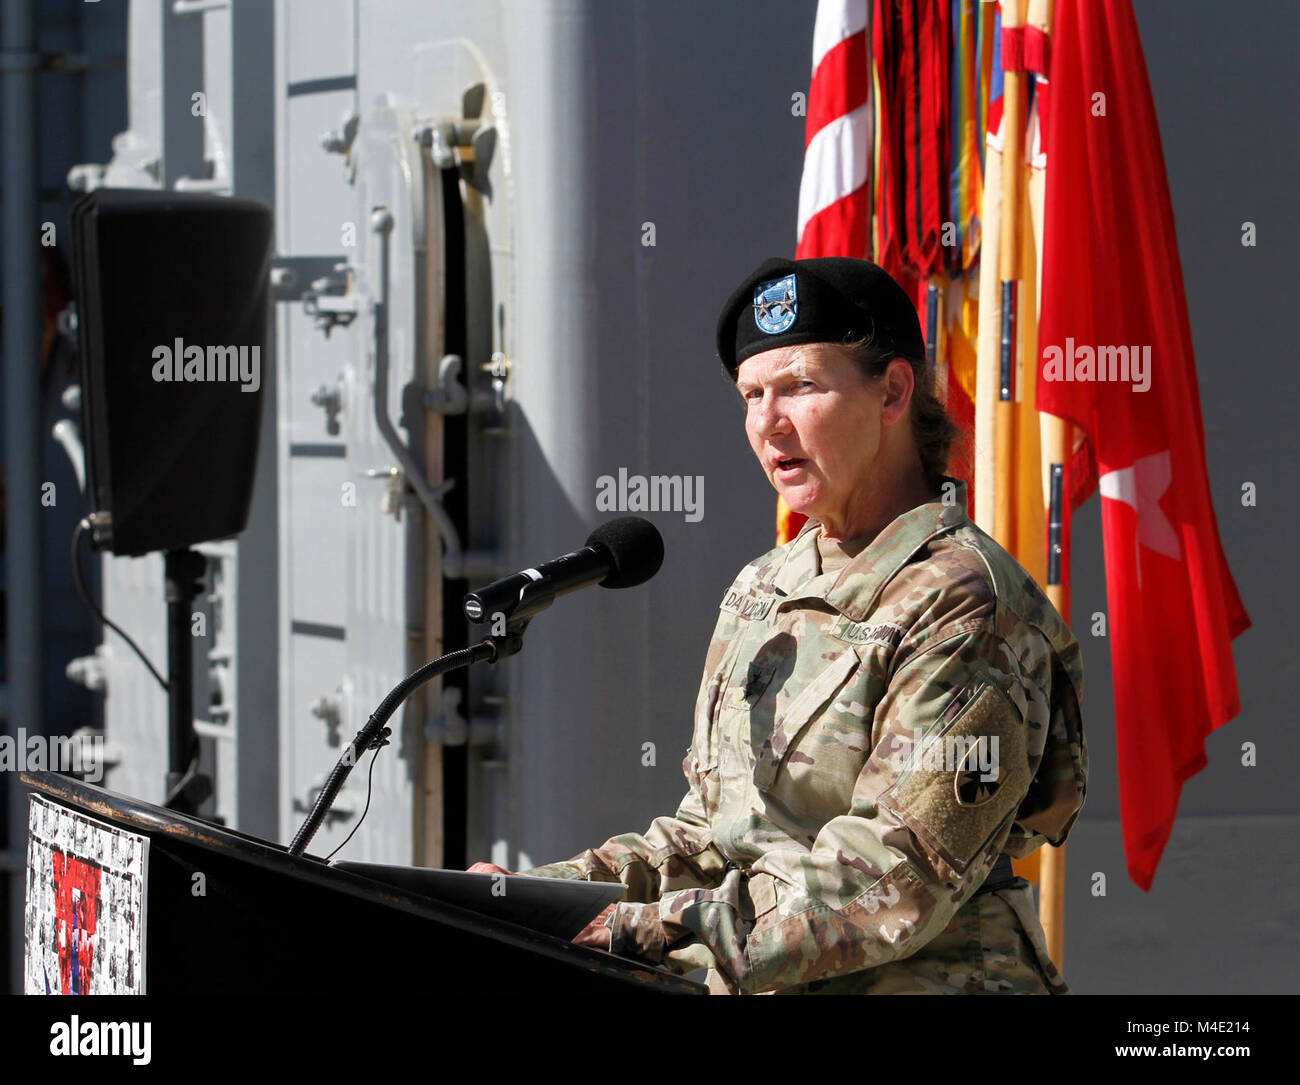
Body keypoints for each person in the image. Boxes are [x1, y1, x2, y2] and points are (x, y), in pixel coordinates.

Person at [470, 256, 1088, 995]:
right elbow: (713, 834)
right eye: (752, 394)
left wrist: (651, 928)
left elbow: (896, 874)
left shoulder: (964, 601)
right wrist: (541, 895)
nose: (767, 422)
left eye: (800, 387)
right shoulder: (766, 587)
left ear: (893, 391)